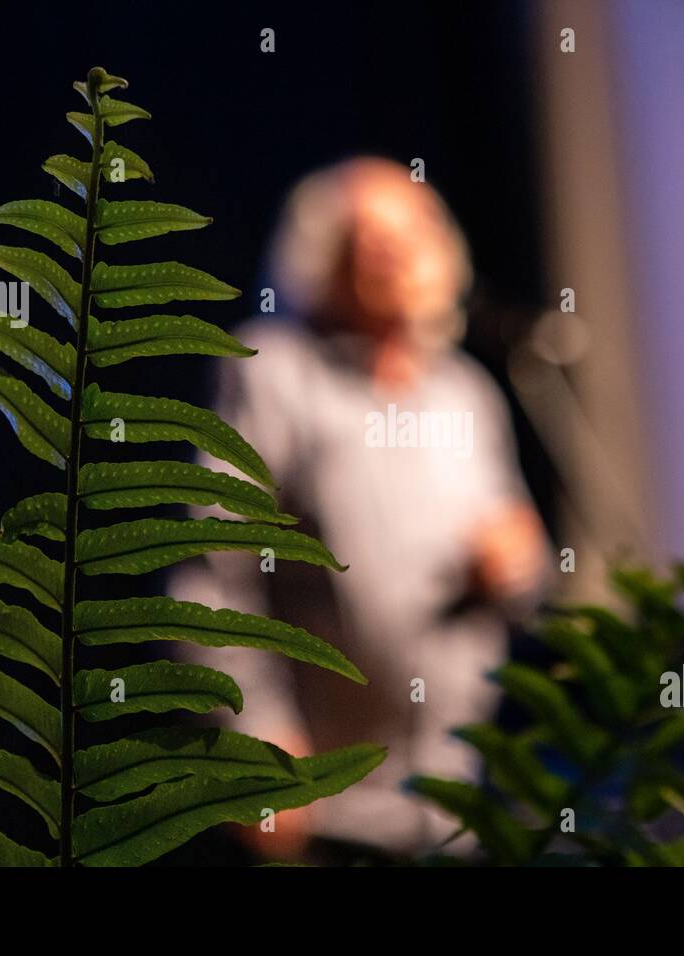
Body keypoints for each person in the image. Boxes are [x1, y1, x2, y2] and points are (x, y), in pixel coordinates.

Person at [170, 157, 549, 861]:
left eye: (412, 231)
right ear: (321, 259)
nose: (394, 251)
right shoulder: (273, 374)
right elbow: (212, 577)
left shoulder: (466, 393)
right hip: (328, 808)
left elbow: (524, 579)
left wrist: (517, 566)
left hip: (457, 796)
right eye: (368, 237)